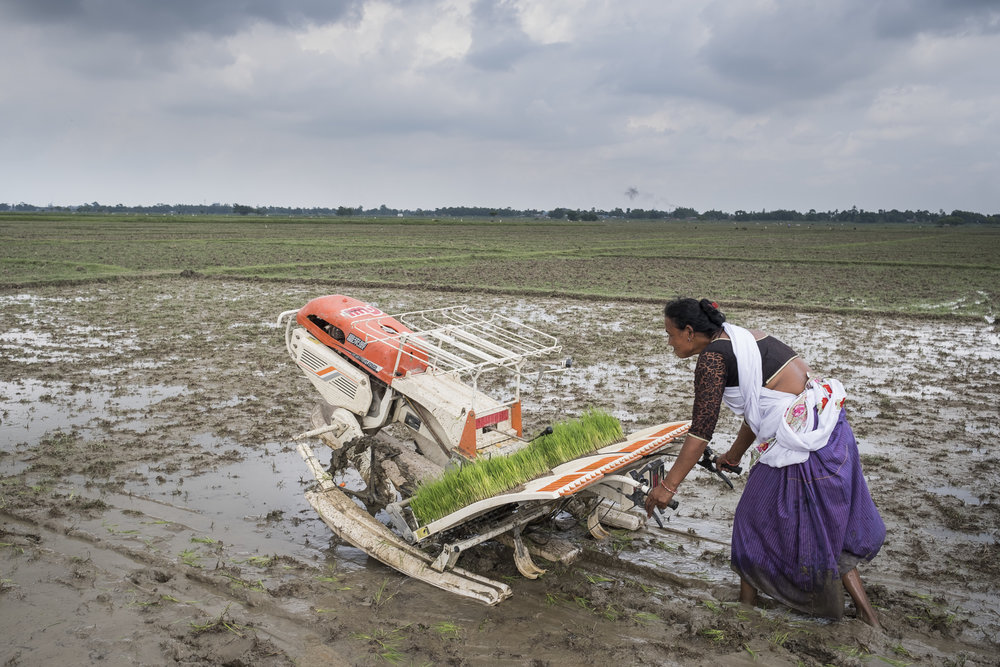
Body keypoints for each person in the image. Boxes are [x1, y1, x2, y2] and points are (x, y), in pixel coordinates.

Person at [645, 298, 885, 627]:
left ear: (689, 332)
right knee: (827, 526)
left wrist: (667, 487)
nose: (669, 341)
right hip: (831, 434)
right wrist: (734, 455)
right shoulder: (745, 339)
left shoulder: (713, 360)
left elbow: (700, 433)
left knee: (750, 519)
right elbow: (759, 410)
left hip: (801, 452)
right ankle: (867, 614)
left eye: (670, 334)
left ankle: (748, 607)